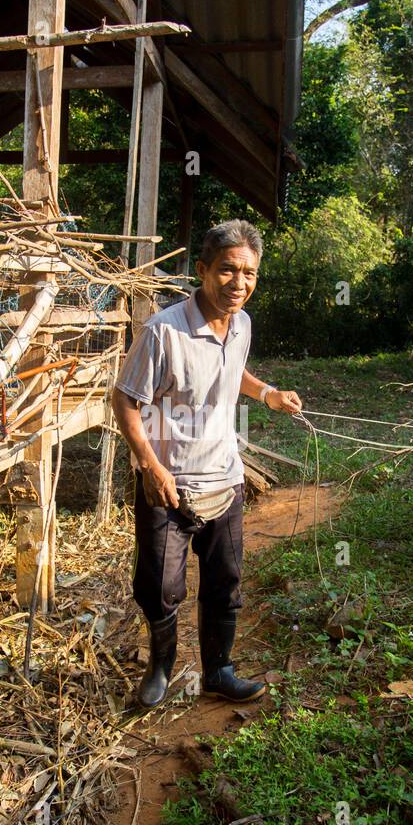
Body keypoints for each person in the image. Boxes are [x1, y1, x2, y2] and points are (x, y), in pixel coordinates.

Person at [111, 219, 303, 708]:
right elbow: (125, 400)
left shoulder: (242, 324)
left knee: (225, 583)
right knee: (158, 586)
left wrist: (267, 393)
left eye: (250, 273)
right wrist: (151, 468)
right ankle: (160, 669)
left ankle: (219, 670)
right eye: (226, 271)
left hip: (225, 481)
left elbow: (232, 370)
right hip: (167, 484)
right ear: (202, 270)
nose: (239, 284)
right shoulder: (163, 332)